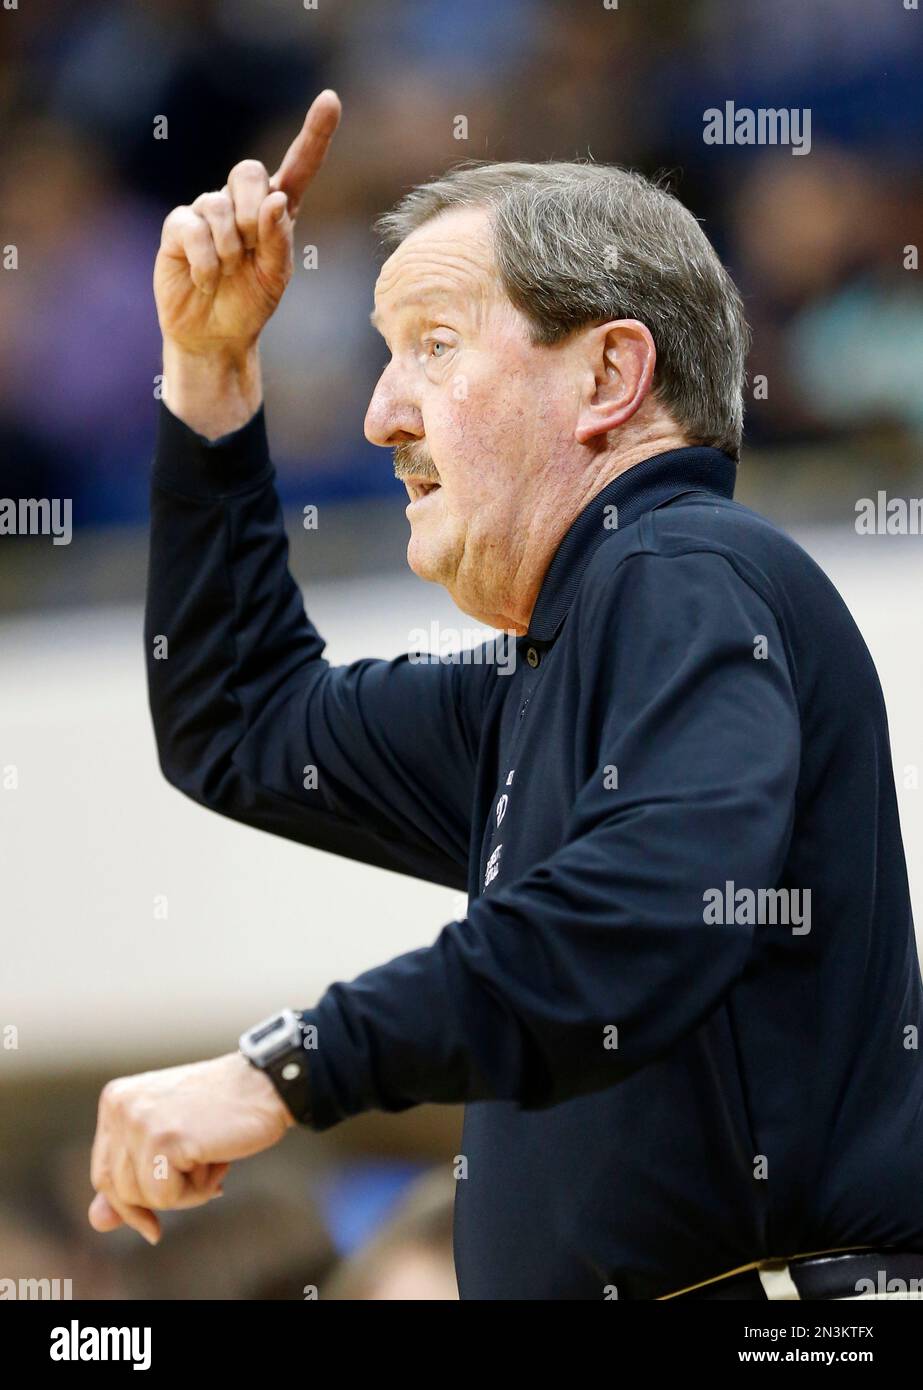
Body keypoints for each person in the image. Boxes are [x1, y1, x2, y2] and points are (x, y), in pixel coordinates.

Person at [88, 91, 923, 1300]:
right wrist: (211, 367)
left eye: (431, 344)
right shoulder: (557, 668)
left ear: (608, 376)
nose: (380, 413)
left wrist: (284, 1066)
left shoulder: (684, 567)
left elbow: (644, 911)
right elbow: (238, 718)